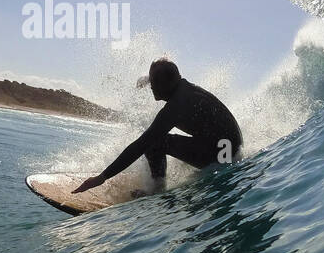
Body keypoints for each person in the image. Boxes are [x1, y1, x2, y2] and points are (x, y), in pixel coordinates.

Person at [74, 58, 242, 194]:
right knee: (158, 141)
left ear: (165, 84)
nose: (151, 86)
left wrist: (102, 177)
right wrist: (146, 80)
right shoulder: (182, 88)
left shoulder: (176, 107)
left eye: (154, 82)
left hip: (224, 157)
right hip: (230, 147)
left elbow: (141, 144)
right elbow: (167, 77)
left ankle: (157, 189)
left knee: (154, 143)